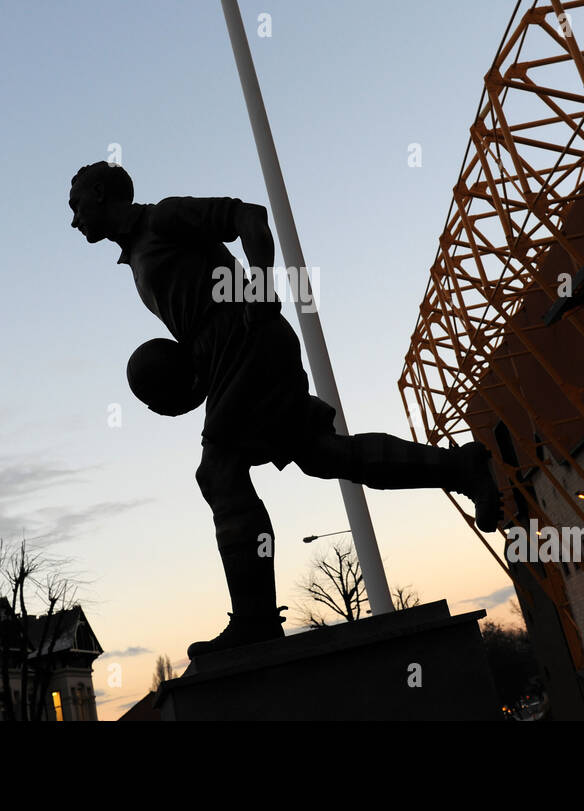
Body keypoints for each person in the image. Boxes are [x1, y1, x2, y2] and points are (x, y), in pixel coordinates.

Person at [69, 161, 505, 658]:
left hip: (251, 343)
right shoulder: (139, 255)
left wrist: (258, 287)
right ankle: (461, 467)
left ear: (101, 195)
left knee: (219, 471)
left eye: (77, 205)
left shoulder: (163, 219)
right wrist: (186, 388)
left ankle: (255, 620)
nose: (74, 219)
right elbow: (196, 334)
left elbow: (248, 217)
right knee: (324, 455)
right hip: (227, 359)